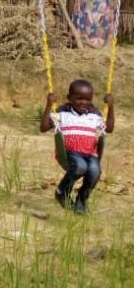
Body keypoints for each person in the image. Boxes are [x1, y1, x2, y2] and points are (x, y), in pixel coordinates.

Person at [40, 78, 114, 214]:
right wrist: (49, 105)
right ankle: (62, 192)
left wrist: (111, 107)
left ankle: (81, 200)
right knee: (81, 166)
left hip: (90, 154)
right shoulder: (62, 114)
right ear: (69, 97)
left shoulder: (95, 116)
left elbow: (109, 128)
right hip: (69, 153)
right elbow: (43, 127)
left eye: (87, 99)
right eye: (79, 99)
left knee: (94, 171)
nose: (83, 103)